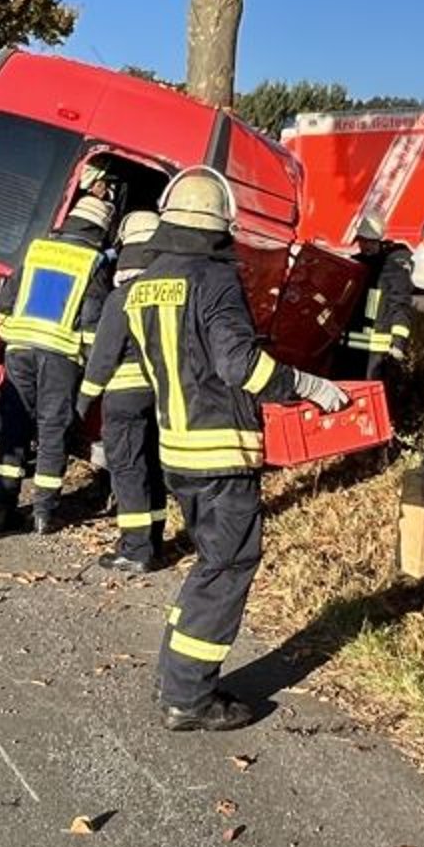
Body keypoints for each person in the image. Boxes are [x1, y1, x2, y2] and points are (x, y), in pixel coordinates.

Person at [125, 167, 348, 731]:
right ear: (220, 223)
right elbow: (236, 364)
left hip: (176, 450)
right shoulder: (212, 278)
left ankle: (174, 676)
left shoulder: (145, 282)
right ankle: (190, 698)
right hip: (220, 452)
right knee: (228, 566)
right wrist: (309, 386)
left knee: (210, 565)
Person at [0, 195, 115, 534]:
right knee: (52, 431)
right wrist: (91, 366)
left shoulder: (38, 248)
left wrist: (5, 338)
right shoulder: (94, 261)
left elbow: (3, 299)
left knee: (14, 429)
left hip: (19, 350)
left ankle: (2, 507)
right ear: (101, 229)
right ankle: (44, 513)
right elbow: (92, 322)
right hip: (60, 358)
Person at [78, 210, 167, 572]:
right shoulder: (170, 294)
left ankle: (135, 549)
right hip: (161, 397)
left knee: (128, 469)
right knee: (151, 467)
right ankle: (153, 540)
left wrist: (82, 403)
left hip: (125, 398)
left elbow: (102, 359)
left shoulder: (122, 298)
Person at [338, 208, 415, 382]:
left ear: (378, 241)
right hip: (347, 351)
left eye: (369, 241)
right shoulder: (352, 265)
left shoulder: (394, 270)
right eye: (362, 241)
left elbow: (400, 306)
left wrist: (399, 343)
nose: (364, 246)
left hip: (376, 353)